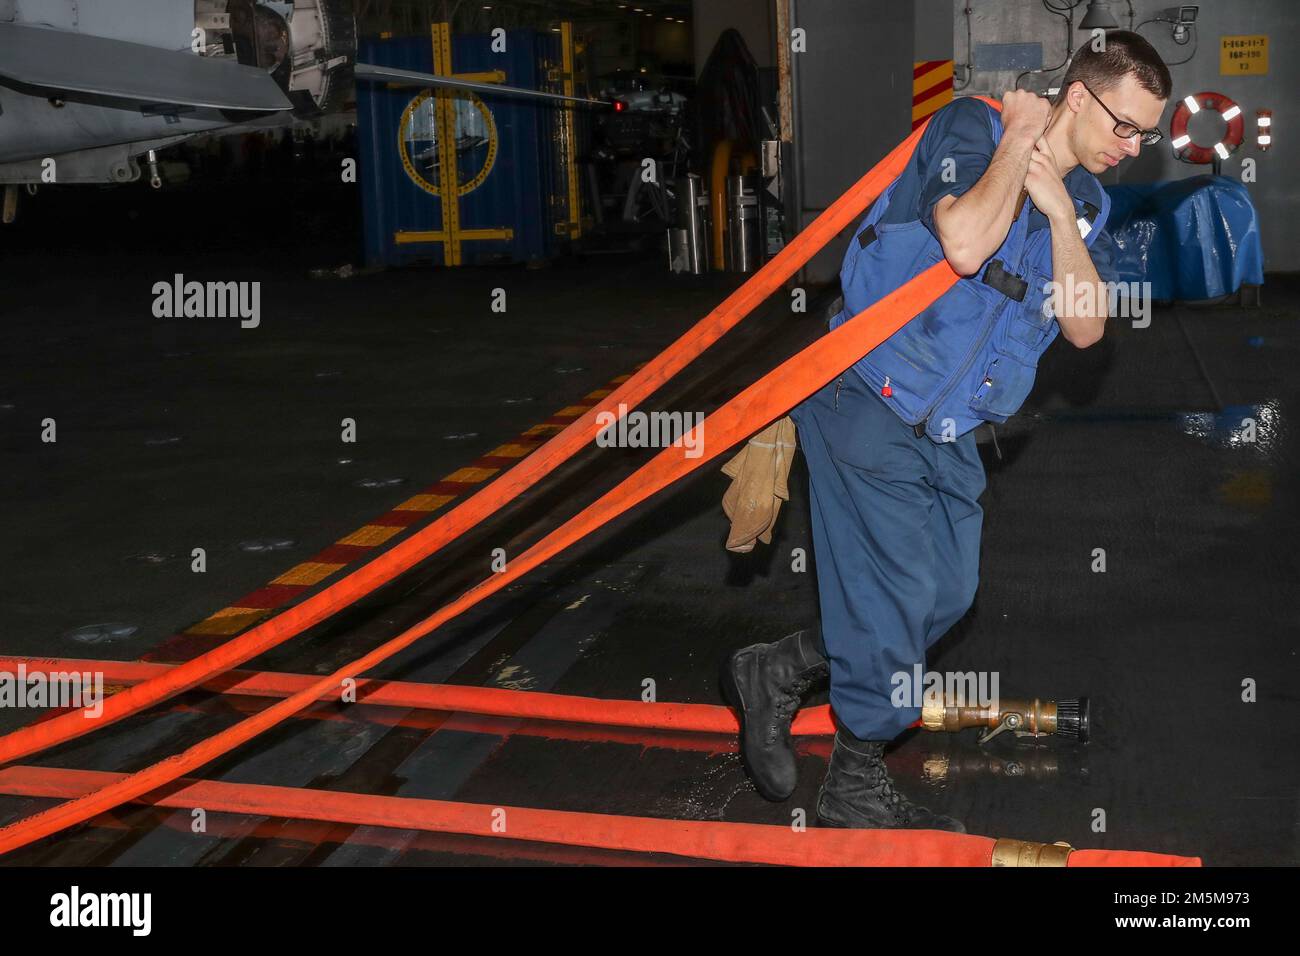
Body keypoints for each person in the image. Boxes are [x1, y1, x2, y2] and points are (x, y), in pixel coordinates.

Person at [723, 31, 1170, 831]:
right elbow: (965, 242)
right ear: (1078, 96)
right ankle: (854, 783)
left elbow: (1087, 331)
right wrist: (1019, 144)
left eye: (1146, 135)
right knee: (896, 598)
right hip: (866, 392)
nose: (1131, 148)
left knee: (949, 594)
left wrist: (1062, 212)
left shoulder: (1092, 204)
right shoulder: (973, 129)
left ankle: (779, 671)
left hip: (949, 423)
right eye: (1123, 125)